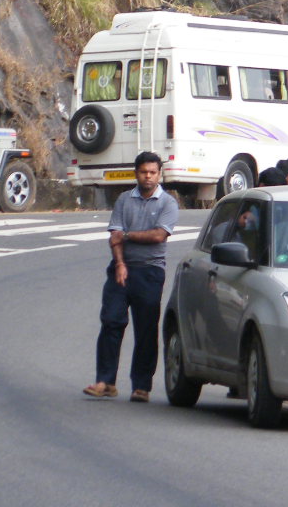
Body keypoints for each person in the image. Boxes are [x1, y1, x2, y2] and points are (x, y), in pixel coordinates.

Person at [84, 151, 178, 401]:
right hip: (122, 269)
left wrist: (127, 236)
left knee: (146, 329)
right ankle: (105, 381)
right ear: (136, 173)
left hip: (150, 272)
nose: (148, 177)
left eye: (152, 172)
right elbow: (114, 234)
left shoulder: (168, 203)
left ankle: (141, 386)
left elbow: (159, 235)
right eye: (143, 172)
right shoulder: (124, 200)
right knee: (111, 322)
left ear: (160, 174)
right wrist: (120, 264)